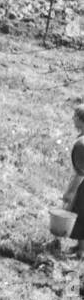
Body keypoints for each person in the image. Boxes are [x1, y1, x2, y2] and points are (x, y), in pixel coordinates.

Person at [61, 103, 84, 258]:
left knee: (81, 213)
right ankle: (79, 247)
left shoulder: (81, 144)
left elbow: (79, 173)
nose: (72, 118)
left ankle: (81, 252)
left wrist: (69, 193)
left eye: (75, 116)